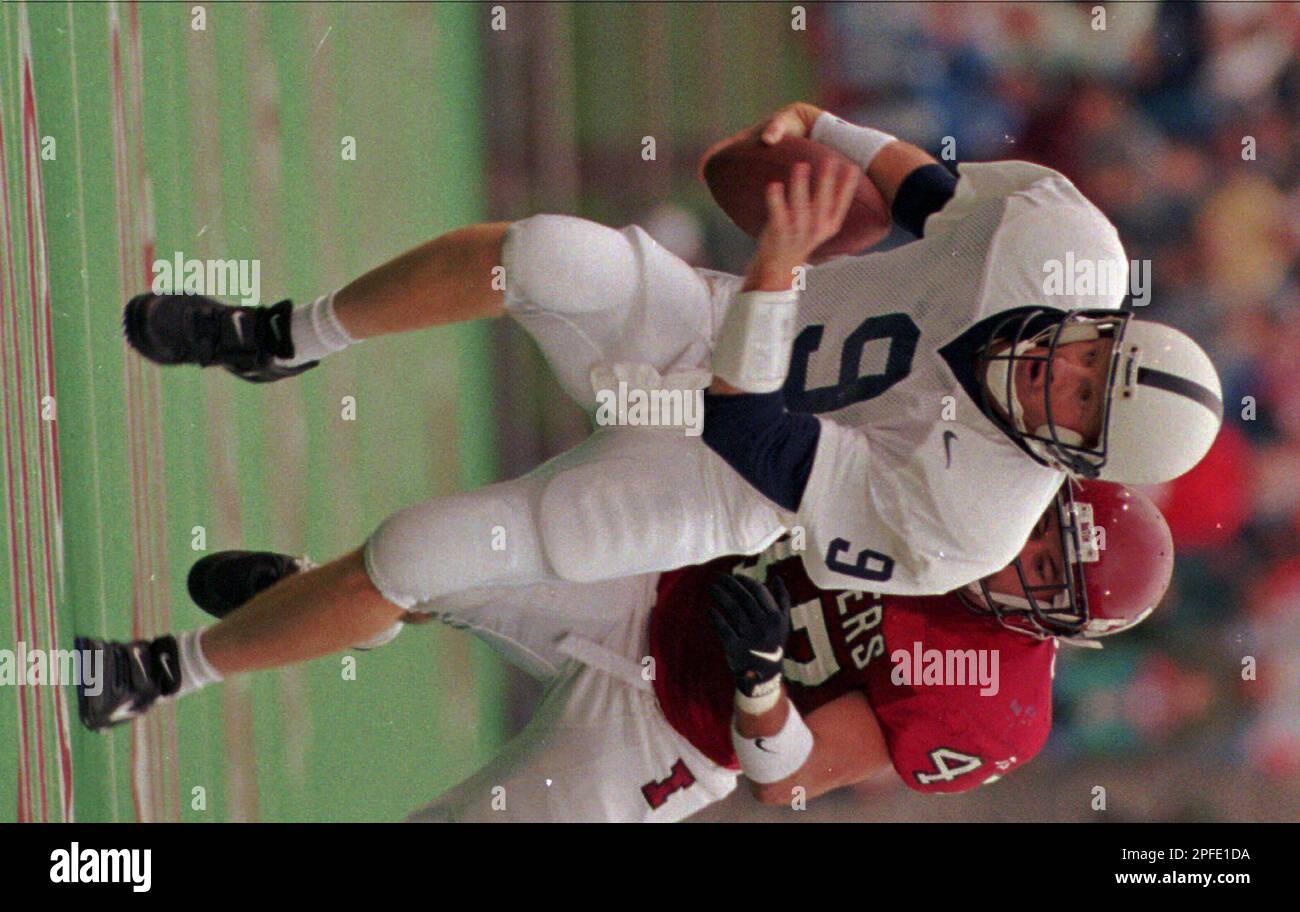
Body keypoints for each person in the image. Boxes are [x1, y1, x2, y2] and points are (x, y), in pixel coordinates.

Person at [79, 102, 1219, 731]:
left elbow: (753, 438)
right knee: (546, 255)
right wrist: (835, 129)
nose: (1059, 380)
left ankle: (163, 674)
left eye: (1076, 408)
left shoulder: (969, 522)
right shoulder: (1065, 247)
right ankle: (281, 338)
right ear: (1101, 326)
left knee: (417, 553)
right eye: (1085, 362)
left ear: (1073, 455)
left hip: (713, 475)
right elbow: (941, 197)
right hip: (711, 325)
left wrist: (774, 277)